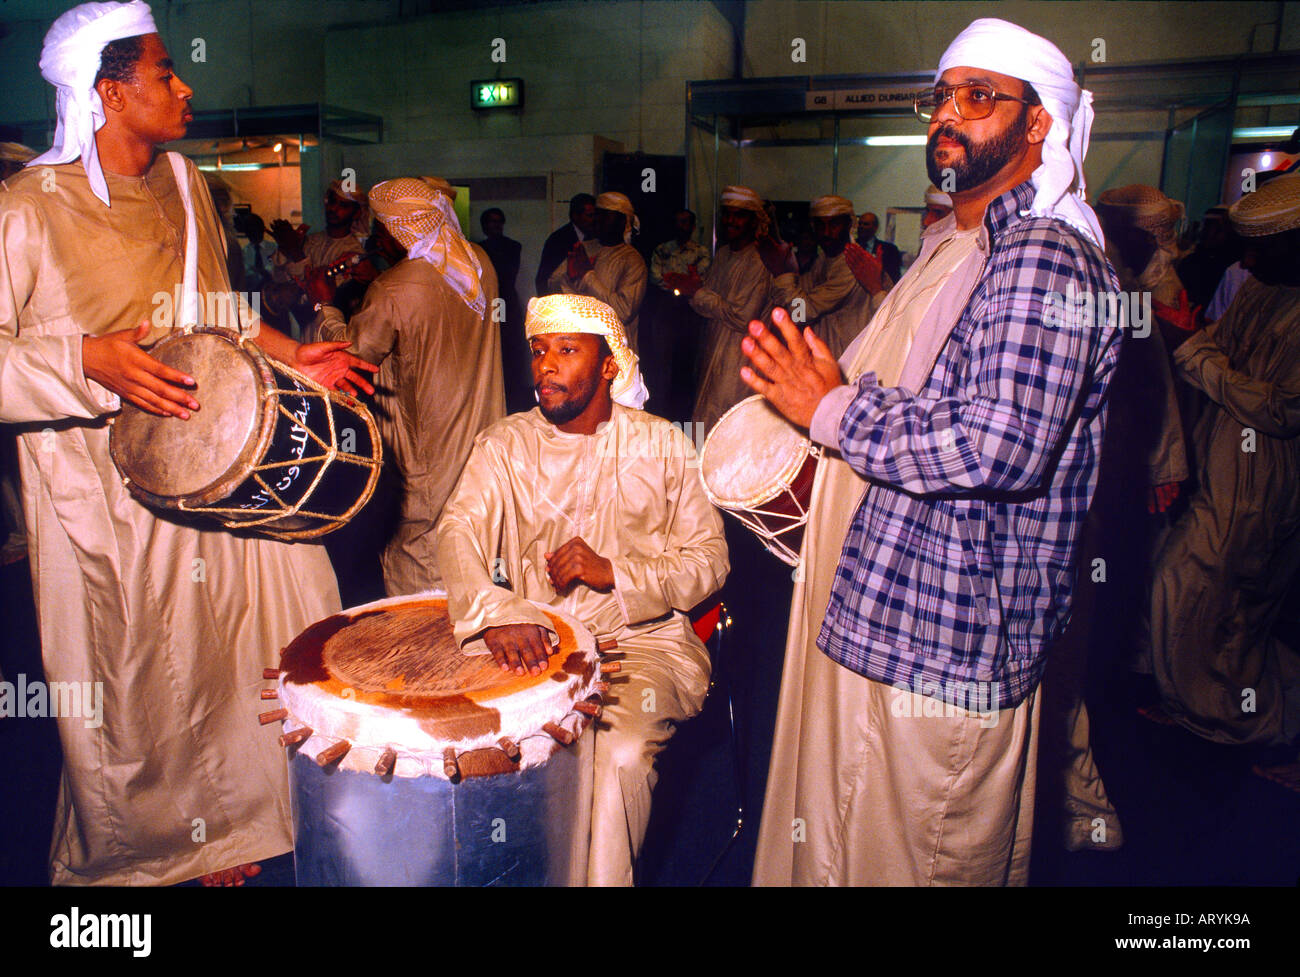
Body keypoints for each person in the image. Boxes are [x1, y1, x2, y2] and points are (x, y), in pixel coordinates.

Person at [0, 2, 377, 886]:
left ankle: (236, 824)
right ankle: (160, 847)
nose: (186, 85)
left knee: (260, 626)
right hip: (99, 491)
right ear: (108, 92)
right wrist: (89, 359)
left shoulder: (181, 182)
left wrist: (295, 356)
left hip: (213, 462)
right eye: (166, 72)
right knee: (136, 677)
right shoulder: (25, 210)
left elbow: (217, 312)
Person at [745, 17, 1120, 885]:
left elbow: (999, 445)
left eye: (980, 96)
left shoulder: (1045, 261)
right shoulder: (965, 242)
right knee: (845, 848)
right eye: (942, 96)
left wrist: (832, 406)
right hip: (891, 615)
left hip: (947, 642)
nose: (949, 113)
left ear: (1039, 125)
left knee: (918, 860)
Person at [435, 293, 728, 885]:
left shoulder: (663, 442)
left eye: (568, 350)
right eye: (539, 351)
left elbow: (710, 560)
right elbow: (457, 529)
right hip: (535, 643)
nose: (546, 365)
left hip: (642, 642)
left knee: (619, 754)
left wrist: (615, 572)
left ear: (609, 366)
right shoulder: (504, 445)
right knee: (480, 753)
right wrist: (497, 612)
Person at [1148, 172, 1300, 747]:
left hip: (1264, 484)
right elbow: (1222, 353)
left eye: (1266, 244)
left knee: (1212, 598)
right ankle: (1212, 710)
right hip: (1223, 469)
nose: (1250, 257)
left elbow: (1281, 409)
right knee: (1213, 604)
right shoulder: (1263, 289)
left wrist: (1189, 346)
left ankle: (1241, 721)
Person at [317, 177, 505, 596]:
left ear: (403, 230)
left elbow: (349, 358)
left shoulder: (393, 289)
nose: (374, 237)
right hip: (482, 443)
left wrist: (325, 304)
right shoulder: (478, 264)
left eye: (381, 229)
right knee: (476, 541)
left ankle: (425, 650)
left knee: (421, 560)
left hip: (425, 456)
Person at [682, 185, 776, 433]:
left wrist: (699, 293)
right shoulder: (723, 254)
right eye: (727, 214)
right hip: (712, 351)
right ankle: (696, 471)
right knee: (703, 416)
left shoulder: (759, 261)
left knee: (729, 424)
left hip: (740, 358)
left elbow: (743, 317)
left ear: (754, 220)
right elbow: (706, 304)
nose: (731, 221)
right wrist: (694, 290)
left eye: (739, 215)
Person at [772, 195, 886, 360]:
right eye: (820, 225)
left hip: (851, 361)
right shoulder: (824, 260)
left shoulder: (851, 264)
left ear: (849, 224)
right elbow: (800, 297)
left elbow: (801, 314)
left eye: (834, 224)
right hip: (832, 357)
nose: (826, 232)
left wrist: (782, 275)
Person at [266, 180, 374, 334]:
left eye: (343, 205)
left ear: (356, 213)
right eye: (332, 201)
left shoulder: (354, 254)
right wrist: (285, 248)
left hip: (330, 332)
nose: (334, 208)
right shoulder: (310, 241)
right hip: (300, 332)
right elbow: (279, 282)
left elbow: (321, 296)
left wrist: (295, 252)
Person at [548, 191, 646, 353]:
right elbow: (553, 284)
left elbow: (623, 311)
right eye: (596, 214)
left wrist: (587, 276)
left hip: (616, 352)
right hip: (581, 347)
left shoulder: (633, 260)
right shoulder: (585, 248)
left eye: (604, 215)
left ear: (622, 221)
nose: (597, 220)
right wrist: (571, 277)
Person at [649, 208, 711, 420]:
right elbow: (657, 277)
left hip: (690, 310)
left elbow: (700, 280)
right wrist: (682, 281)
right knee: (663, 364)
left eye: (686, 222)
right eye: (678, 222)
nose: (681, 226)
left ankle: (684, 416)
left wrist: (680, 280)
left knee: (688, 365)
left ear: (693, 227)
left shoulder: (701, 252)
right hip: (666, 308)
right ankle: (661, 414)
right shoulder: (662, 250)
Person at [477, 206, 530, 412]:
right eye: (491, 222)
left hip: (504, 302)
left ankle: (513, 394)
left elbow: (506, 275)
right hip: (490, 303)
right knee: (492, 346)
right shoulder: (478, 249)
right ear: (485, 225)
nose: (495, 226)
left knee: (511, 348)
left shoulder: (512, 246)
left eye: (498, 221)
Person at [535, 192, 596, 297]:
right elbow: (543, 279)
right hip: (563, 302)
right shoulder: (557, 240)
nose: (594, 220)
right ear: (575, 216)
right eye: (590, 215)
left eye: (596, 215)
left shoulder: (597, 237)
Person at [855, 210, 902, 283]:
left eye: (866, 224)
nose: (861, 227)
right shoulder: (850, 246)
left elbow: (894, 277)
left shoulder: (890, 250)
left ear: (875, 227)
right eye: (860, 224)